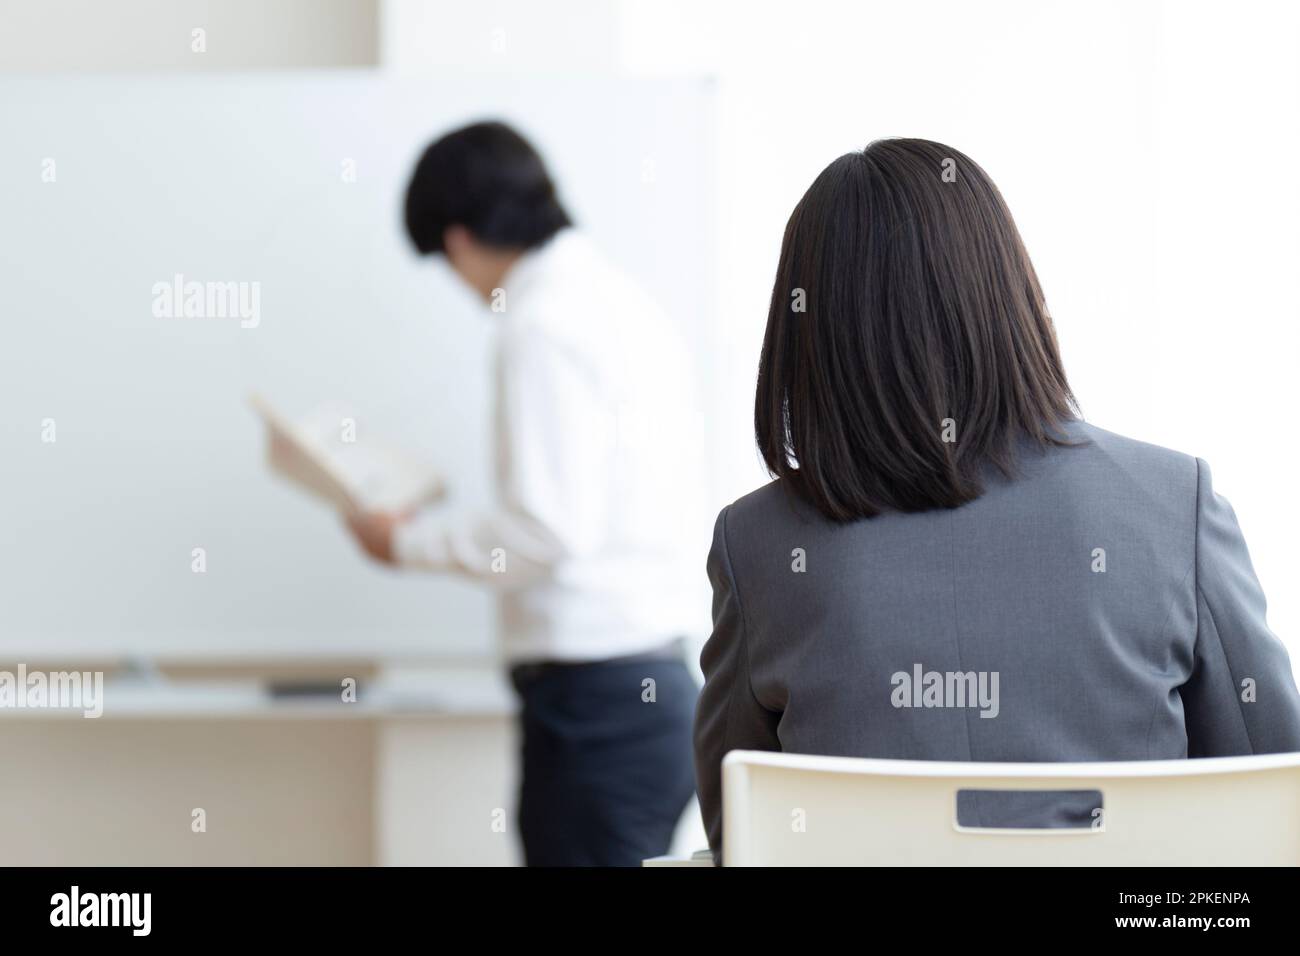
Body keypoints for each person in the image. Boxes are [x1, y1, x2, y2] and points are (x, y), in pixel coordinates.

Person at [694, 137, 1300, 862]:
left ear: (807, 331)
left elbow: (744, 836)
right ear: (1008, 293)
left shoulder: (758, 546)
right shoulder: (1174, 504)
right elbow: (1272, 796)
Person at [348, 121, 700, 867]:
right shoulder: (621, 301)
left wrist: (401, 542)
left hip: (597, 703)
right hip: (650, 687)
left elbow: (546, 532)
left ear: (460, 239)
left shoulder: (539, 324)